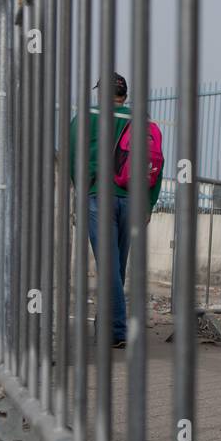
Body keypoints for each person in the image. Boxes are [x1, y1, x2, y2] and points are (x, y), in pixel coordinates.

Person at [68, 72, 164, 348]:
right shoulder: (142, 121)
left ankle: (118, 329)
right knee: (116, 265)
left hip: (100, 195)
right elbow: (156, 164)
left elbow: (74, 157)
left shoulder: (87, 117)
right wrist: (149, 203)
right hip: (133, 200)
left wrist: (84, 188)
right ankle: (106, 326)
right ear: (125, 94)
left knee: (108, 265)